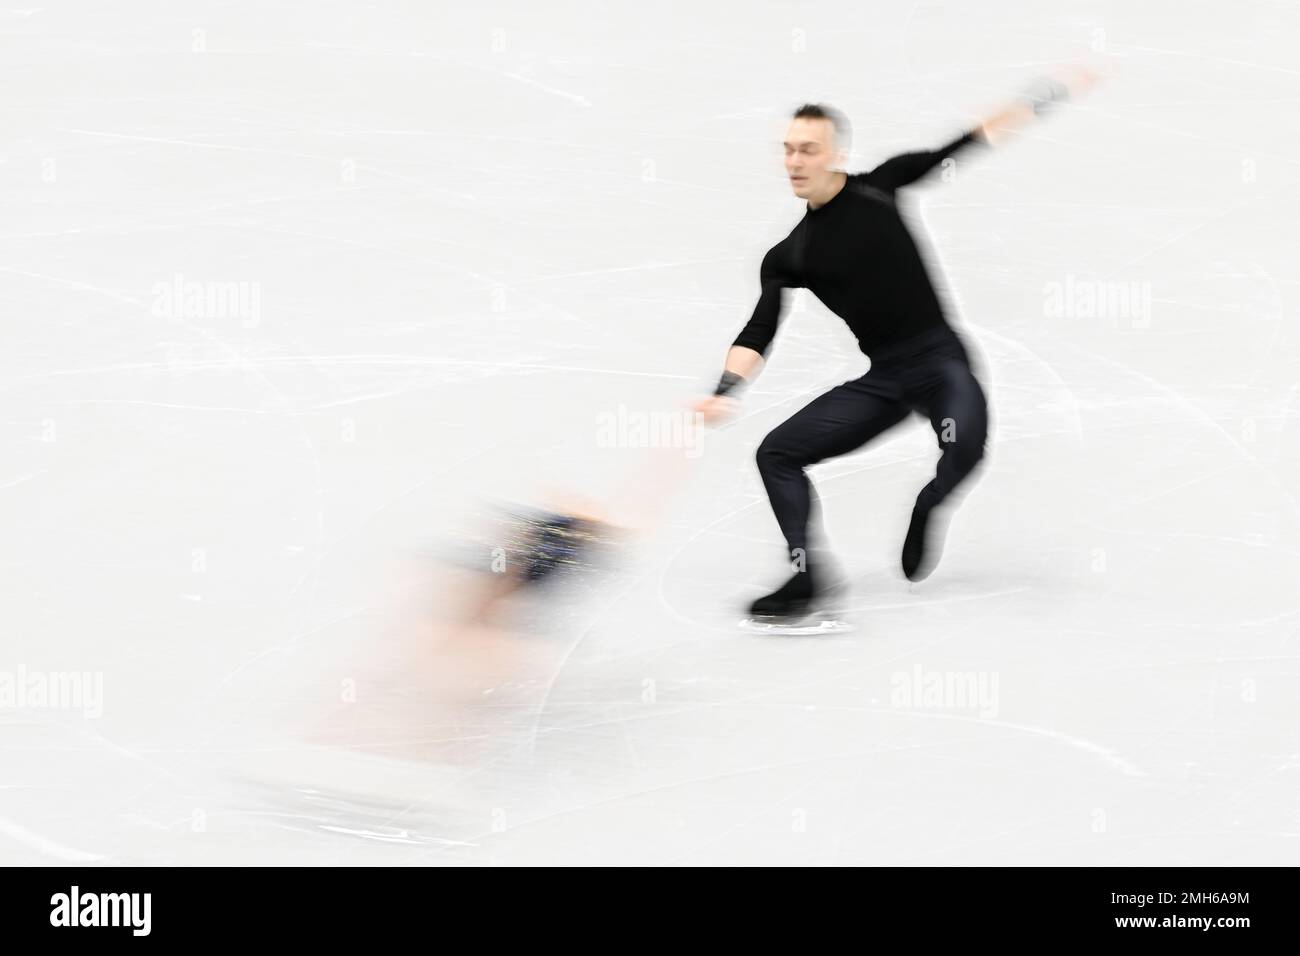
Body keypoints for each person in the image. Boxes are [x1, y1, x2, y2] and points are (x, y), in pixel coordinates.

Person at [694, 68, 1097, 621]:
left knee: (964, 452)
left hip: (941, 362)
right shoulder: (790, 256)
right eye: (787, 150)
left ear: (835, 153)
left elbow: (965, 144)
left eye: (808, 150)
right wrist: (725, 390)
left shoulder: (880, 188)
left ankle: (928, 505)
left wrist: (1037, 99)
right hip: (885, 381)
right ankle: (808, 576)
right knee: (776, 454)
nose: (794, 162)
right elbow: (758, 329)